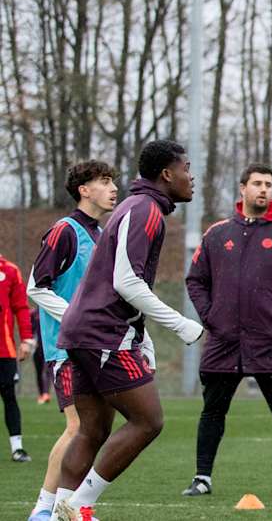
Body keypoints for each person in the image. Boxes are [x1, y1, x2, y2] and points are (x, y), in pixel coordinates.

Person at [52, 139, 206, 521]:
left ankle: (54, 514)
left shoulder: (136, 207)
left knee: (92, 430)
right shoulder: (147, 210)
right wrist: (181, 324)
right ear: (167, 174)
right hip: (102, 334)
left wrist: (143, 336)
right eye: (187, 168)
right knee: (148, 421)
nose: (192, 177)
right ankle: (77, 505)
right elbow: (127, 282)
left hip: (84, 331)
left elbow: (113, 281)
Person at [181, 163, 272, 499]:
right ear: (242, 189)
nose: (263, 189)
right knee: (212, 410)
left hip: (271, 342)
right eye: (257, 183)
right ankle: (202, 478)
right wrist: (211, 316)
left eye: (268, 184)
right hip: (223, 341)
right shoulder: (217, 234)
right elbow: (195, 280)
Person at [24, 160, 118, 521]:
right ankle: (44, 509)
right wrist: (77, 319)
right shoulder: (64, 231)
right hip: (65, 347)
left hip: (95, 347)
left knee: (94, 429)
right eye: (105, 181)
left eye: (114, 181)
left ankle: (69, 506)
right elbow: (38, 287)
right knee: (78, 427)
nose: (113, 189)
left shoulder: (99, 234)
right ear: (83, 189)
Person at [1, 251, 34, 463]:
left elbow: (21, 307)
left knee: (9, 396)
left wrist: (26, 340)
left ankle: (17, 448)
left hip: (4, 350)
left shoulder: (10, 270)